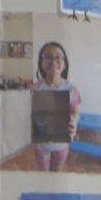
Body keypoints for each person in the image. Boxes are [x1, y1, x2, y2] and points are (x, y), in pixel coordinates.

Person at [31, 41, 80, 171]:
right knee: (43, 172)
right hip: (41, 145)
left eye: (58, 57)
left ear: (64, 64)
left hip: (62, 145)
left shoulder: (71, 89)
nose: (53, 60)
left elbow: (74, 111)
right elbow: (28, 115)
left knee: (57, 171)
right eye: (48, 57)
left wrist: (74, 121)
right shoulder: (34, 89)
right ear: (41, 63)